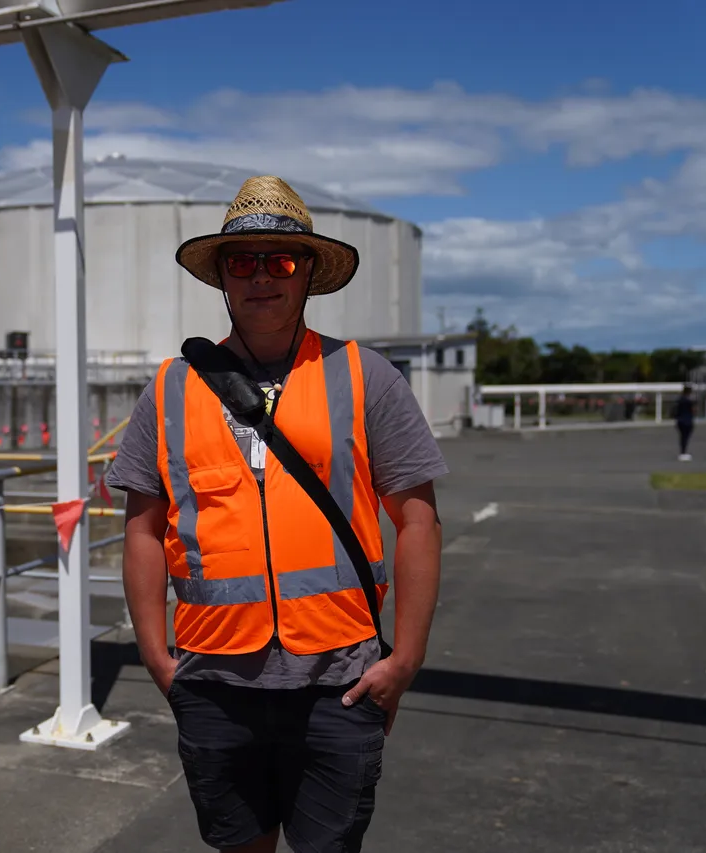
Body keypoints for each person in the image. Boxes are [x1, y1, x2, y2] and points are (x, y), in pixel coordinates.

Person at [107, 176, 446, 853]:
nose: (261, 277)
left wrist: (404, 658)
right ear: (222, 278)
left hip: (339, 683)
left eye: (281, 260)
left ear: (310, 272)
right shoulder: (173, 387)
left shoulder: (365, 375)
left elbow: (418, 522)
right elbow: (142, 529)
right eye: (243, 261)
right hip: (214, 683)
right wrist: (156, 655)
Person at [674, 385, 695, 461]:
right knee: (686, 437)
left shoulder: (679, 400)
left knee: (682, 437)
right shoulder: (689, 401)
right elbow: (692, 411)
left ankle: (682, 452)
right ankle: (683, 452)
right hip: (687, 420)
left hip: (680, 420)